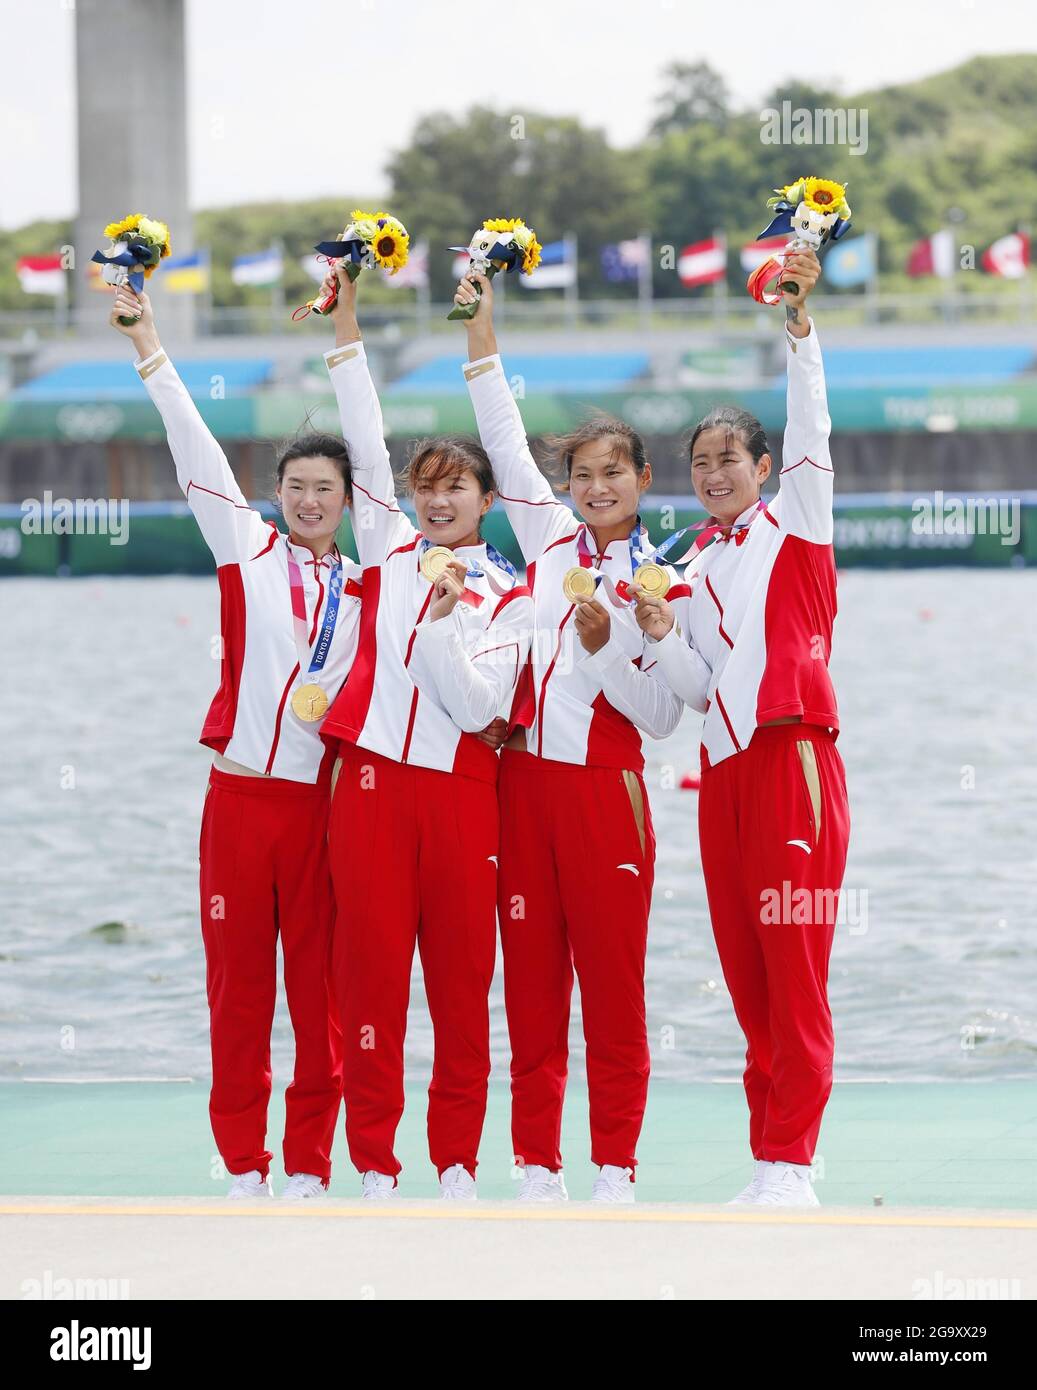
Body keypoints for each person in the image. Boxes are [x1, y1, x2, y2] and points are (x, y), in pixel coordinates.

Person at [110, 283, 361, 1200]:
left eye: (323, 490)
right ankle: (243, 1163)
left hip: (322, 811)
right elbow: (193, 445)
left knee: (321, 999)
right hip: (240, 803)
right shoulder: (246, 550)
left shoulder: (375, 592)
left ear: (346, 500)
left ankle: (309, 1165)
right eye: (293, 487)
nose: (305, 501)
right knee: (237, 993)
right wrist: (149, 346)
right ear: (276, 495)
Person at [453, 269, 687, 1204]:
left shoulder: (666, 575)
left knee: (612, 990)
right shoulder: (546, 538)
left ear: (641, 481)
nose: (594, 487)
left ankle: (616, 1167)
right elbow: (500, 429)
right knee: (532, 987)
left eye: (611, 473)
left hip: (604, 793)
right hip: (521, 791)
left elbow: (667, 717)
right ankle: (537, 1165)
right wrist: (483, 325)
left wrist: (604, 649)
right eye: (581, 474)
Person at [632, 249, 851, 1207]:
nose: (715, 471)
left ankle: (795, 1165)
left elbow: (813, 422)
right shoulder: (694, 566)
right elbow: (689, 691)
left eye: (731, 457)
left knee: (793, 967)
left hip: (791, 756)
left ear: (765, 468)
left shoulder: (796, 522)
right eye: (701, 461)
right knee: (746, 971)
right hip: (720, 773)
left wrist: (796, 328)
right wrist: (651, 635)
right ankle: (768, 1160)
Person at [317, 265, 534, 1201]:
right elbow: (360, 426)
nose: (437, 502)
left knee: (458, 988)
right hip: (368, 789)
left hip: (460, 797)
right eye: (425, 488)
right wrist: (349, 318)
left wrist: (446, 617)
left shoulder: (516, 596)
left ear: (485, 500)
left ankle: (454, 1163)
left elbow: (482, 710)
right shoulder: (389, 547)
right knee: (370, 989)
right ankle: (374, 1162)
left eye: (456, 490)